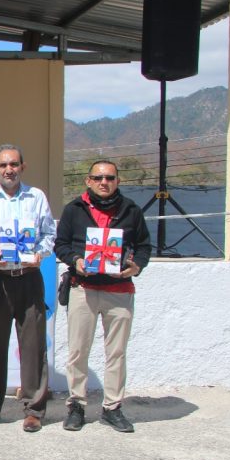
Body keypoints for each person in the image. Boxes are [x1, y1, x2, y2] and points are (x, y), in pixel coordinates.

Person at [54, 160, 151, 433]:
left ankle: (112, 408)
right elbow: (60, 244)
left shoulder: (131, 210)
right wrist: (75, 260)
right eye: (98, 177)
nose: (103, 182)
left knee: (117, 353)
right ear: (88, 180)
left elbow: (144, 246)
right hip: (82, 289)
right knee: (77, 351)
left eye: (109, 177)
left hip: (119, 291)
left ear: (117, 181)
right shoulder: (74, 209)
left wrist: (137, 266)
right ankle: (76, 406)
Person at [0, 144, 57, 432]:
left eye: (14, 164)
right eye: (4, 165)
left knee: (33, 346)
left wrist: (40, 253)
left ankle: (34, 409)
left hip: (28, 277)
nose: (9, 169)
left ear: (23, 166)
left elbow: (48, 233)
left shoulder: (36, 197)